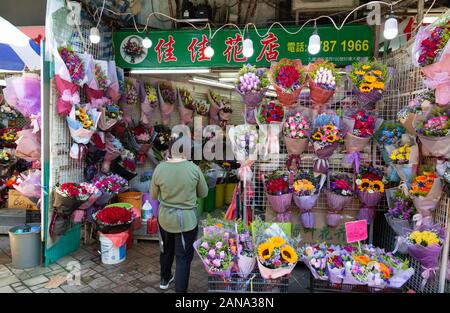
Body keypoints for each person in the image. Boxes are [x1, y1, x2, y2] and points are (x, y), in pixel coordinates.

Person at [150, 134, 208, 292]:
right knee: (183, 257)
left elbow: (153, 195)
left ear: (170, 149)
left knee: (165, 249)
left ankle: (165, 278)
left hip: (165, 218)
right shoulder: (193, 169)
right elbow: (203, 193)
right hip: (186, 221)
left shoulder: (160, 168)